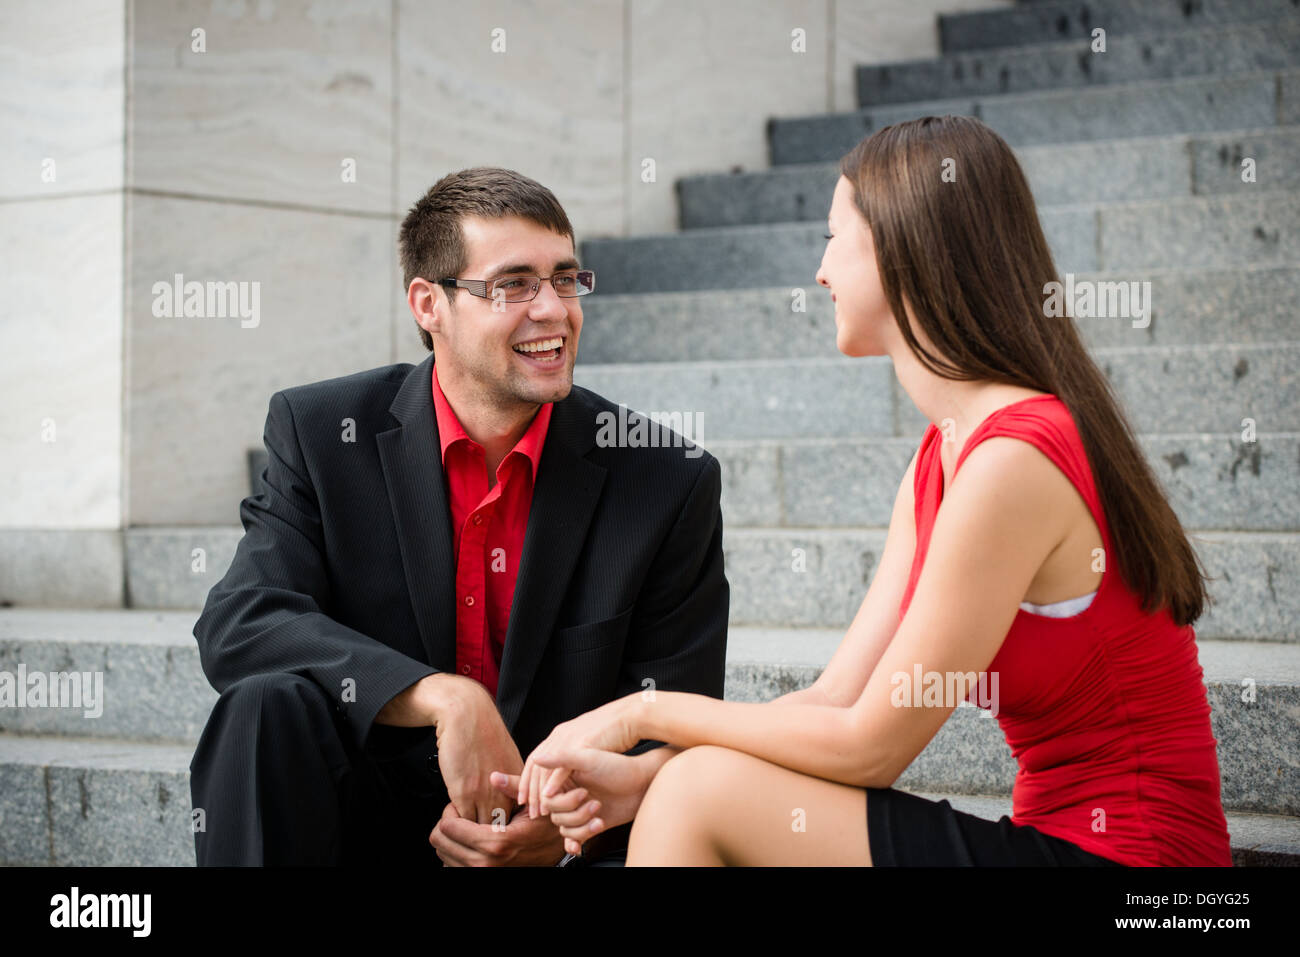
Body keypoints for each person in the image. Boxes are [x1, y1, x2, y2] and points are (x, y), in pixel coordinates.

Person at [515, 115, 1233, 867]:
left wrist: (642, 712)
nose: (821, 272)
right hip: (1052, 841)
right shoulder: (944, 456)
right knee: (685, 784)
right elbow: (836, 703)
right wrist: (645, 774)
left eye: (833, 238)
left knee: (699, 792)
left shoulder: (1014, 461)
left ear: (900, 250)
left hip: (1147, 872)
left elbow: (870, 749)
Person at [189, 167, 729, 867]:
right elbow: (242, 622)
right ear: (428, 303)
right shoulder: (324, 434)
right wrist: (442, 697)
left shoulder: (664, 478)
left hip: (559, 844)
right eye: (513, 284)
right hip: (363, 828)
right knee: (262, 708)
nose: (554, 310)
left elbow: (676, 722)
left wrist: (565, 827)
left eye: (565, 278)